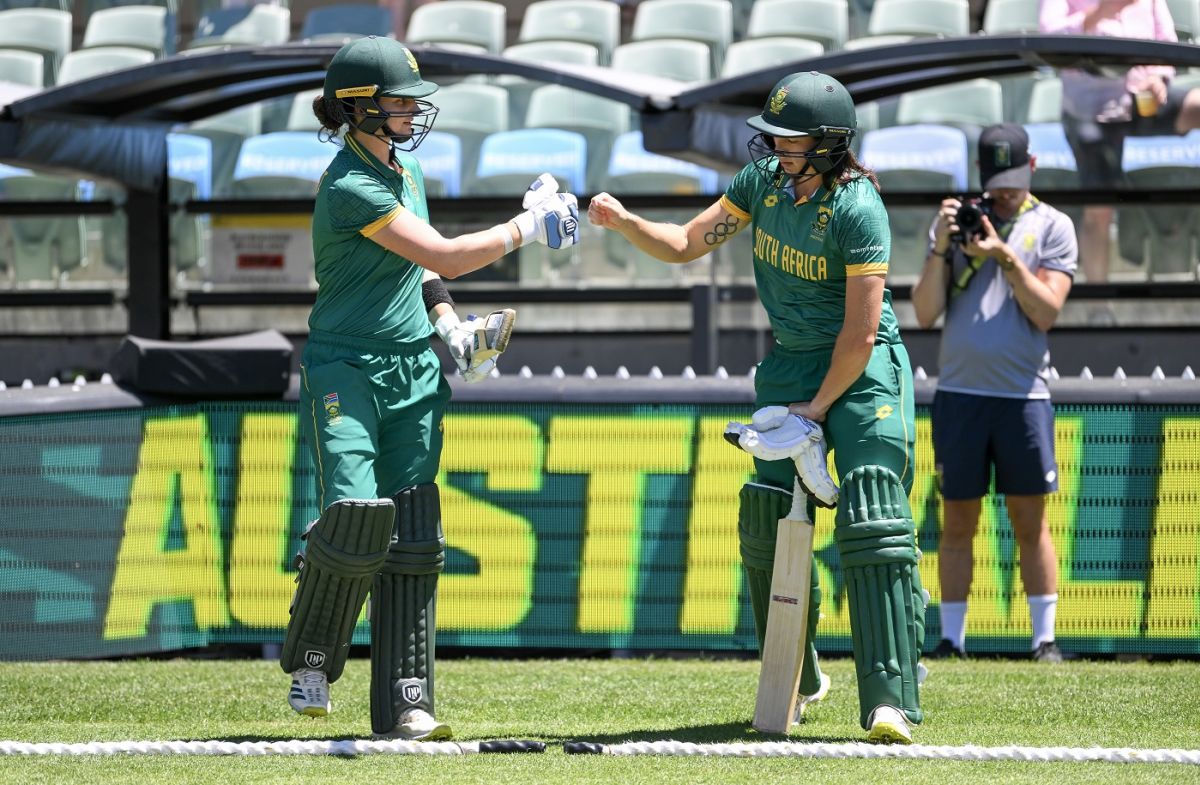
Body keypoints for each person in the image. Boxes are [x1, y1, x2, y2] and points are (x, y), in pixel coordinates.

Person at [589, 71, 926, 744]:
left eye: (789, 139)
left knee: (872, 507)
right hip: (790, 363)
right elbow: (686, 244)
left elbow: (860, 336)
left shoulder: (859, 208)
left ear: (828, 143)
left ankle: (890, 700)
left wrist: (815, 412)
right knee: (766, 513)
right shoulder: (762, 183)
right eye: (772, 136)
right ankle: (794, 676)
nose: (775, 148)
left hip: (861, 371)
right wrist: (624, 222)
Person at [280, 36, 579, 740]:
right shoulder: (349, 184)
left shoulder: (403, 170)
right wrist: (527, 226)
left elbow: (422, 270)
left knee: (412, 533)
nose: (414, 111)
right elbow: (445, 252)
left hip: (414, 366)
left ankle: (407, 700)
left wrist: (451, 330)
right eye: (399, 101)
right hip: (348, 367)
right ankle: (313, 659)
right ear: (359, 107)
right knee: (356, 515)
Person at [912, 123, 1077, 664]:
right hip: (959, 394)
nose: (1003, 194)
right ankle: (951, 640)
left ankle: (1043, 640)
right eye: (995, 183)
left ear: (1032, 167)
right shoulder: (957, 221)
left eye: (1012, 182)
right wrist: (942, 247)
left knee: (1030, 521)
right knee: (957, 520)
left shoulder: (1053, 225)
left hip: (1023, 397)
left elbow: (1047, 312)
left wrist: (1004, 255)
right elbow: (925, 311)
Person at [1040, 0, 1200, 286]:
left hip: (1143, 99)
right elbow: (1049, 39)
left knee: (1197, 107)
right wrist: (1101, 12)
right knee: (1099, 208)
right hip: (1091, 110)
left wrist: (1159, 77)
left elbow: (1166, 42)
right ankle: (1098, 302)